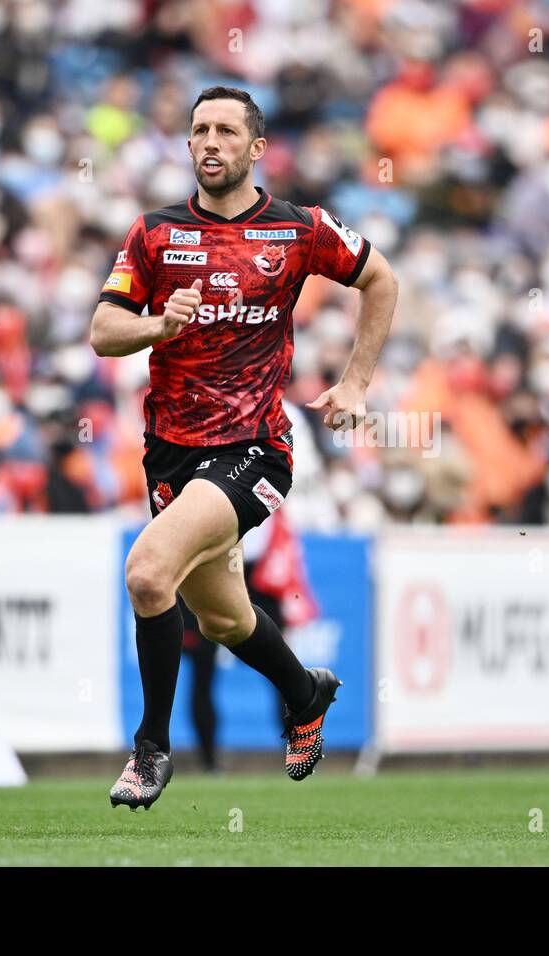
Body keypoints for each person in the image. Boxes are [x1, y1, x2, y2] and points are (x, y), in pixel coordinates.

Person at [90, 86, 397, 810]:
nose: (209, 142)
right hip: (170, 451)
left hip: (255, 447)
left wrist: (355, 384)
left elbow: (380, 279)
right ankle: (305, 690)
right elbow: (104, 331)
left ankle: (151, 749)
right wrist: (158, 326)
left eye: (226, 130)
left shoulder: (299, 229)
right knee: (224, 618)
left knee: (146, 572)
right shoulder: (155, 235)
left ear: (256, 149)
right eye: (199, 130)